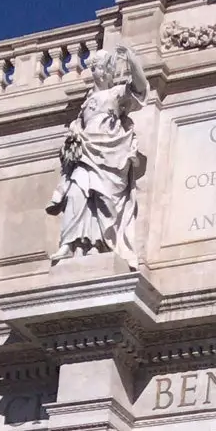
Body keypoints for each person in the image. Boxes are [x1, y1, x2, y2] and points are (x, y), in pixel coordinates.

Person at [48, 47, 147, 268]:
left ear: (111, 72)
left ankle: (100, 242)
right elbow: (79, 126)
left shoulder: (117, 93)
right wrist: (73, 136)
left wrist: (131, 60)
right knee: (75, 194)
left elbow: (141, 88)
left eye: (104, 68)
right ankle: (69, 243)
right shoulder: (87, 101)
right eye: (97, 68)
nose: (101, 72)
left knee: (104, 200)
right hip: (86, 152)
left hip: (110, 154)